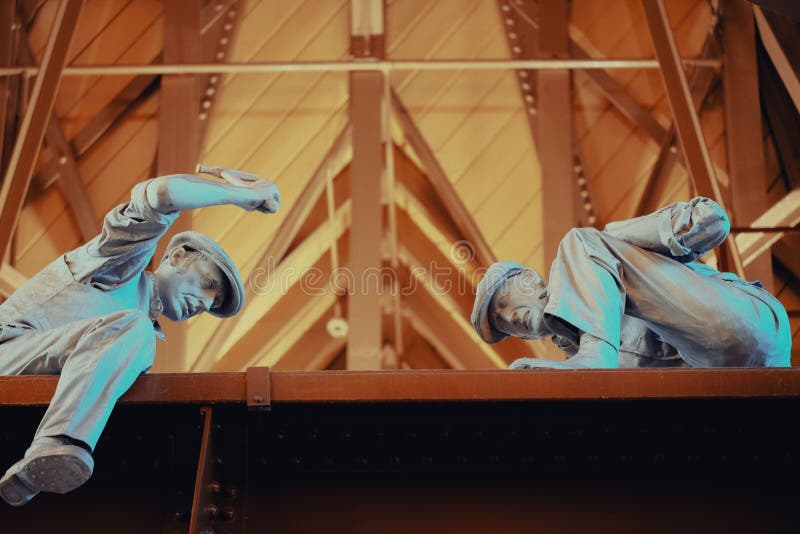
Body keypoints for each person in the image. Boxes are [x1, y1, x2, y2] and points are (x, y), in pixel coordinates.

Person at [0, 173, 281, 506]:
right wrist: (239, 194)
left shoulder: (132, 343)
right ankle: (56, 444)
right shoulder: (117, 266)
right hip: (8, 353)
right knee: (135, 329)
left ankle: (37, 470)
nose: (204, 303)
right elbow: (160, 195)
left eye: (213, 304)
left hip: (35, 382)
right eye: (207, 283)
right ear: (176, 257)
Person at [471, 197, 791, 369]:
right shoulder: (576, 370)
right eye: (503, 326)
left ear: (528, 279)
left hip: (746, 321)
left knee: (580, 242)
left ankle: (598, 355)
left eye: (502, 305)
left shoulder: (598, 252)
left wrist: (689, 226)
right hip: (726, 381)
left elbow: (709, 220)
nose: (511, 320)